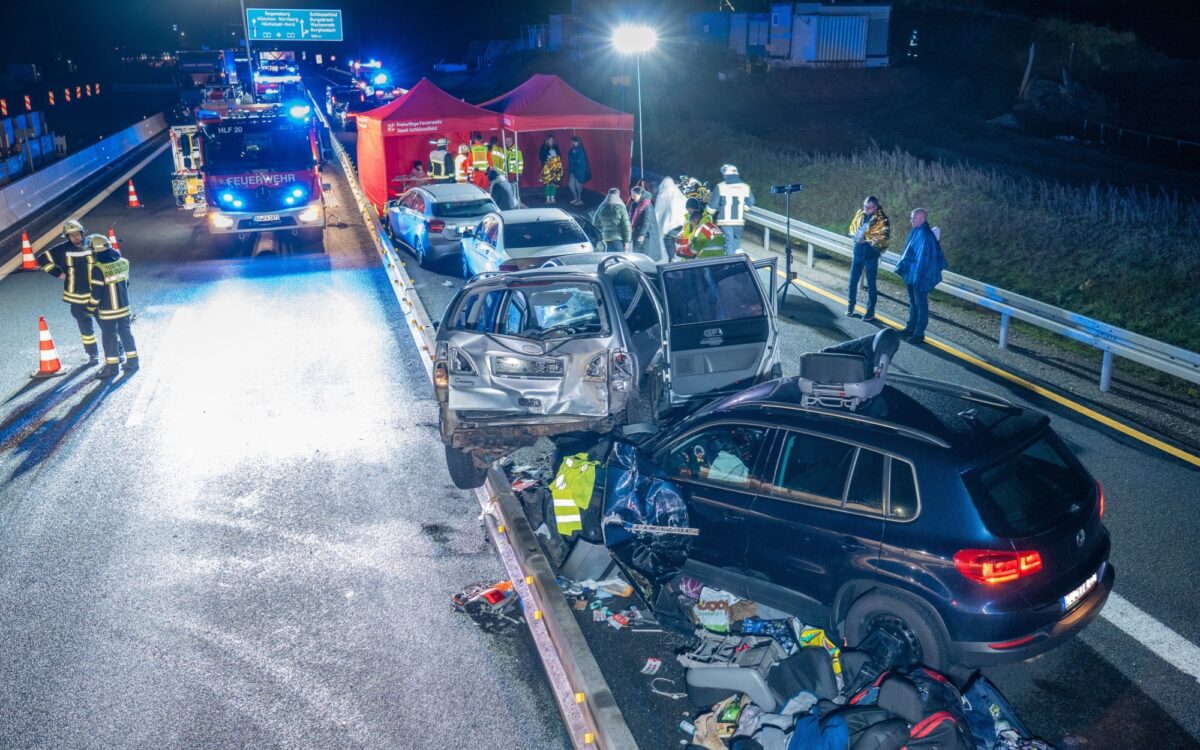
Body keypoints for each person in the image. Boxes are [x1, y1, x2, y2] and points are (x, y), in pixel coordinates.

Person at [35, 219, 99, 364]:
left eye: (77, 234)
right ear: (68, 237)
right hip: (77, 298)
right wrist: (59, 274)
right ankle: (93, 354)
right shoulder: (62, 249)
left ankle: (117, 350)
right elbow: (42, 259)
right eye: (72, 235)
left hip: (96, 295)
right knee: (86, 330)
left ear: (82, 233)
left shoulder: (92, 245)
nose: (75, 237)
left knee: (107, 326)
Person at [85, 234, 138, 378]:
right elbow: (126, 283)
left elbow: (96, 294)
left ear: (95, 251)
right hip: (124, 308)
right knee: (126, 334)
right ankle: (133, 362)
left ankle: (112, 368)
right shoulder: (124, 262)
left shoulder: (98, 268)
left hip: (108, 312)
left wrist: (89, 309)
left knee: (109, 338)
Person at [893, 208, 947, 345]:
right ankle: (910, 328)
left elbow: (925, 260)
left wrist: (918, 276)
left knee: (920, 304)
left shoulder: (926, 235)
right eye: (911, 218)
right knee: (913, 302)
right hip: (913, 273)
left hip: (920, 275)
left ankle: (919, 333)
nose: (911, 220)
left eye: (913, 218)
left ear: (922, 219)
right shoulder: (917, 231)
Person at [846, 195, 891, 322]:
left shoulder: (882, 219)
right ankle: (850, 306)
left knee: (871, 284)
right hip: (858, 253)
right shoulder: (860, 215)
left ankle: (870, 312)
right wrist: (855, 237)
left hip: (871, 255)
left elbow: (884, 239)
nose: (865, 209)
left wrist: (866, 240)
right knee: (852, 281)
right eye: (864, 206)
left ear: (875, 207)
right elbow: (852, 229)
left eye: (868, 208)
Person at [709, 164, 754, 254]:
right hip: (739, 221)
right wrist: (745, 207)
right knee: (736, 242)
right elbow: (751, 201)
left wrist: (710, 211)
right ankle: (737, 258)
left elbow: (713, 205)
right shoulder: (745, 187)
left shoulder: (720, 186)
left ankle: (730, 260)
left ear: (726, 175)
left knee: (728, 243)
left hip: (725, 221)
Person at [655, 177, 688, 261]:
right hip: (682, 221)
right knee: (679, 238)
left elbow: (659, 209)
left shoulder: (664, 193)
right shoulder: (678, 193)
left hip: (671, 223)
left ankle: (672, 257)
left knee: (668, 238)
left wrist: (655, 221)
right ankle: (684, 256)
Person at [628, 186, 663, 261]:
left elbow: (646, 221)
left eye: (634, 196)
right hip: (637, 232)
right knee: (637, 255)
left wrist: (642, 234)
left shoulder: (646, 205)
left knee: (645, 255)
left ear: (640, 195)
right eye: (632, 195)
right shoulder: (635, 204)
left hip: (646, 234)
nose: (632, 197)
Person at [566, 136, 591, 206]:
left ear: (578, 142)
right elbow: (570, 160)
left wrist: (581, 173)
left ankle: (580, 200)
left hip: (580, 172)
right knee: (571, 185)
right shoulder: (571, 150)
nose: (573, 142)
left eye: (575, 141)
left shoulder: (581, 150)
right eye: (573, 141)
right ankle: (576, 198)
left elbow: (582, 162)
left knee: (578, 186)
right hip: (572, 170)